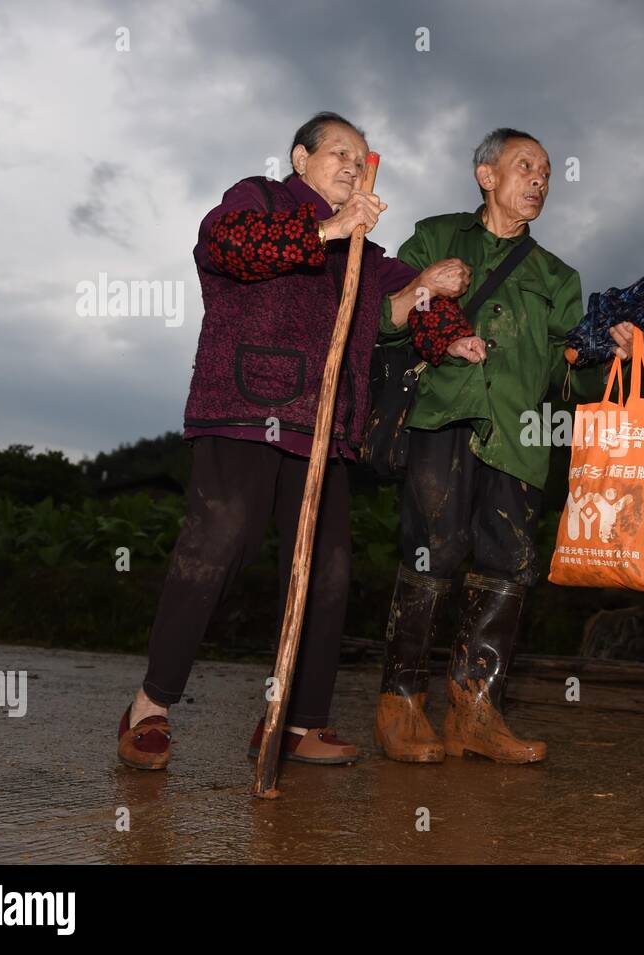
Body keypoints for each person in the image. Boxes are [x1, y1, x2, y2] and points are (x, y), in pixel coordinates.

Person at [118, 112, 469, 771]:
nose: (351, 166)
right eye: (339, 152)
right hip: (246, 406)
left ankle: (295, 721)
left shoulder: (366, 250)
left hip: (325, 429)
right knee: (222, 542)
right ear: (300, 158)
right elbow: (226, 246)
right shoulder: (261, 200)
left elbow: (402, 309)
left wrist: (441, 310)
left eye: (362, 160)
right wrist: (330, 229)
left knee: (324, 570)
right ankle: (150, 706)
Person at [372, 128, 637, 765]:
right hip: (444, 416)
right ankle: (401, 705)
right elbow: (383, 323)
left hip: (520, 436)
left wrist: (610, 353)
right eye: (526, 166)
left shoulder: (558, 276)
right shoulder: (435, 237)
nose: (541, 179)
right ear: (487, 176)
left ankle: (476, 712)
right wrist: (424, 287)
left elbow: (565, 376)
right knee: (432, 552)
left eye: (547, 171)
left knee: (507, 567)